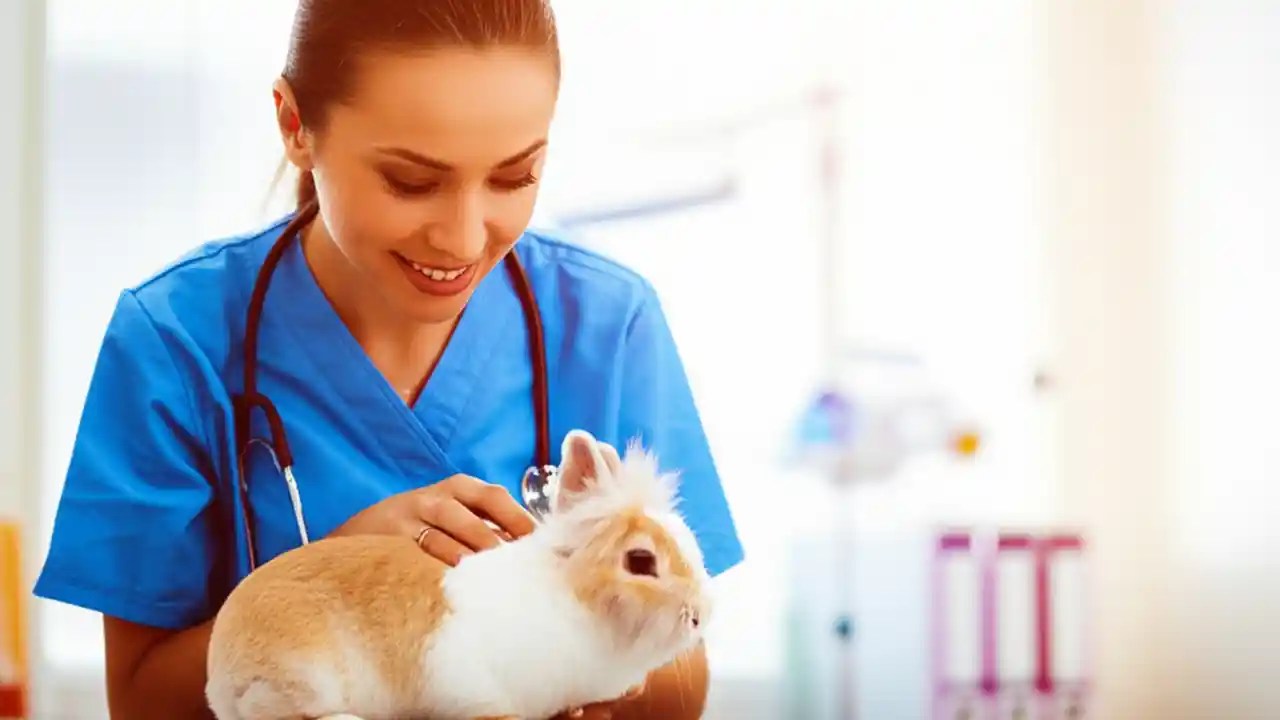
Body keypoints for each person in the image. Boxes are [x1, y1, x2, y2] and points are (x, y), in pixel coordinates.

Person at [31, 1, 744, 718]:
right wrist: (334, 577)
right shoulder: (175, 340)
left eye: (515, 176)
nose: (464, 239)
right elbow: (140, 701)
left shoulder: (608, 326)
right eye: (411, 181)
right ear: (294, 127)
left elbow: (683, 680)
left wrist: (574, 634)